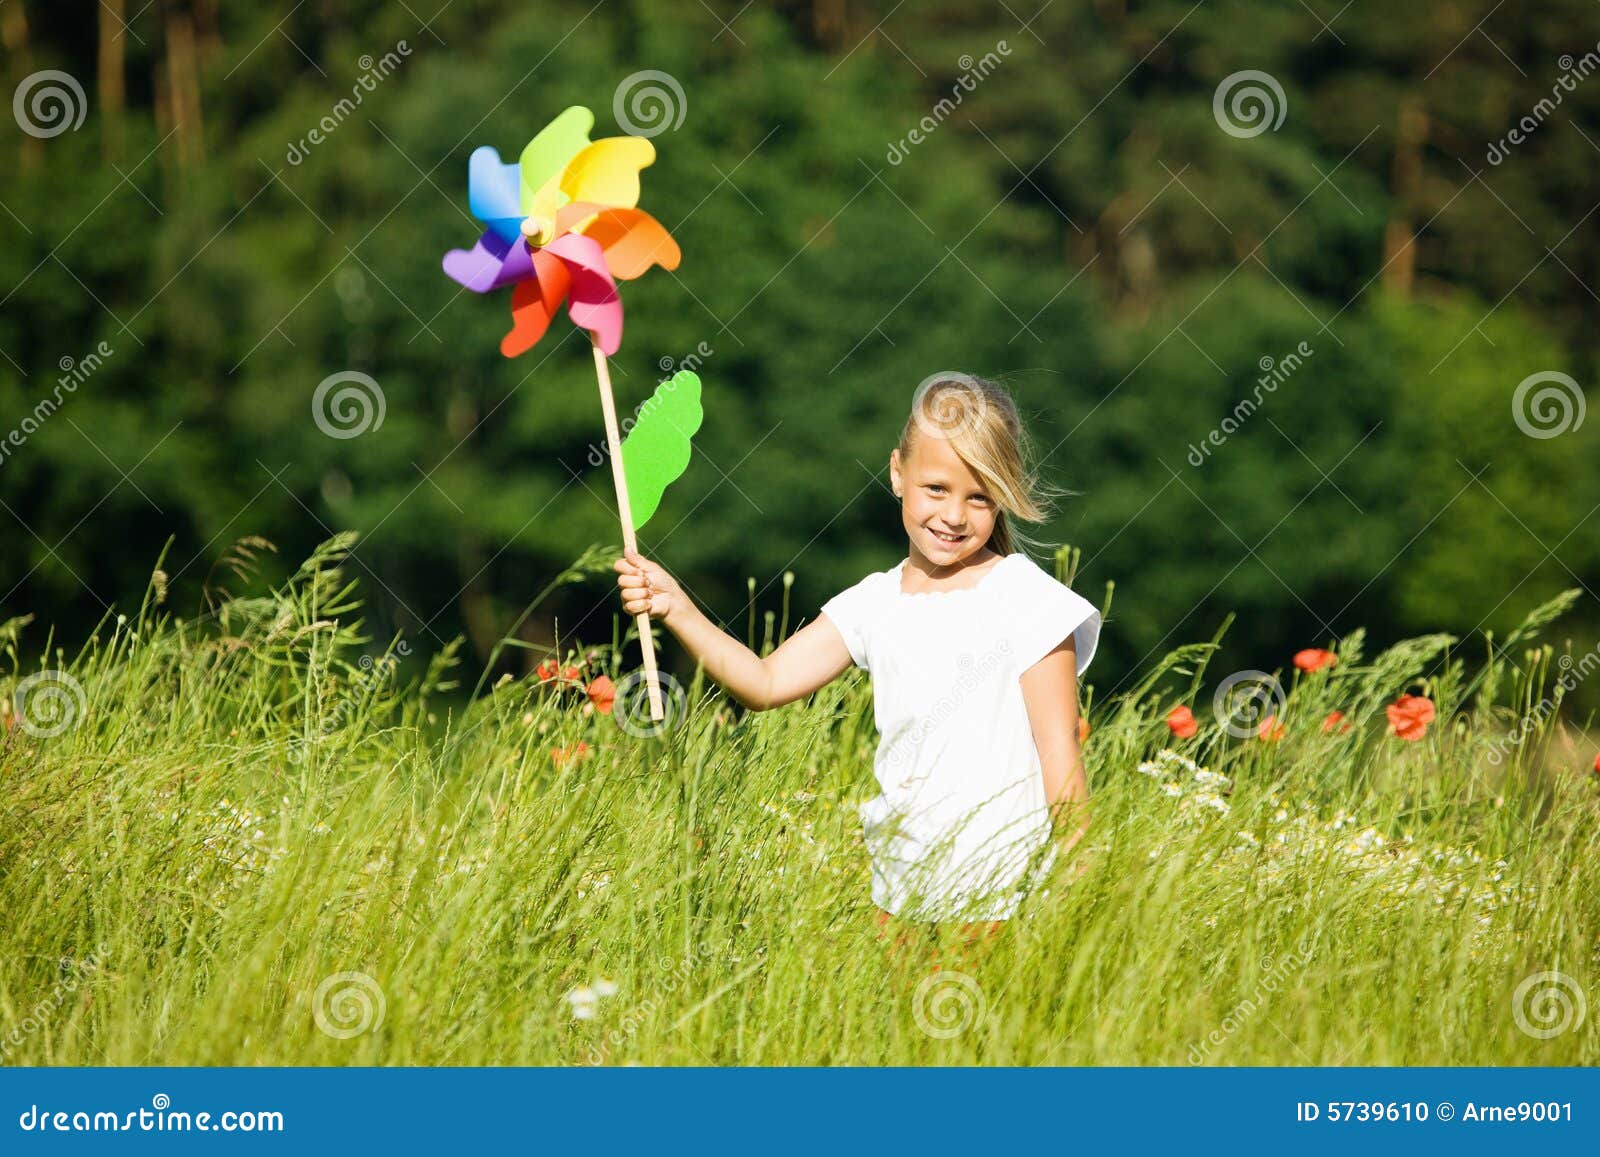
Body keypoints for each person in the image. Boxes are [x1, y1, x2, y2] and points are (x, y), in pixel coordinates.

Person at [613, 373, 1101, 960]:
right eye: (937, 488)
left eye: (979, 496)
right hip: (898, 895)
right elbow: (765, 683)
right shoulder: (875, 602)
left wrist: (1074, 876)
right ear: (898, 474)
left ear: (1004, 496)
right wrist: (677, 608)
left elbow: (1058, 749)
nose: (954, 514)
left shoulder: (1027, 599)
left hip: (1002, 895)